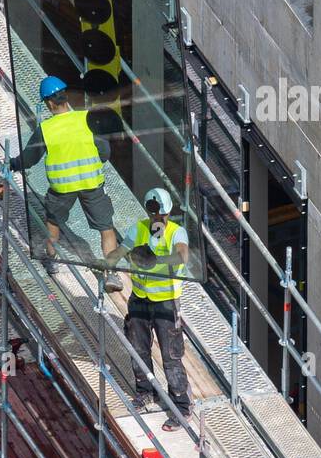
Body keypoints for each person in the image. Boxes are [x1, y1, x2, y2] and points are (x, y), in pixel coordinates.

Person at [10, 74, 122, 288]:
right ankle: (112, 274)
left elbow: (29, 159)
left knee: (53, 222)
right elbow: (105, 152)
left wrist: (12, 164)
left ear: (49, 103)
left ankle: (52, 262)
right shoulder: (87, 119)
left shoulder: (46, 129)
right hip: (92, 185)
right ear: (66, 98)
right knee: (106, 228)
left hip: (62, 189)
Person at [106, 187, 192, 430]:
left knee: (171, 356)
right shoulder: (140, 229)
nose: (158, 220)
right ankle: (146, 392)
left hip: (166, 303)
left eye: (162, 216)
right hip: (140, 300)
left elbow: (183, 256)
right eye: (155, 215)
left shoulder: (177, 232)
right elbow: (121, 251)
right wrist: (106, 263)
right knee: (138, 349)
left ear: (168, 214)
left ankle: (182, 406)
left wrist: (156, 261)